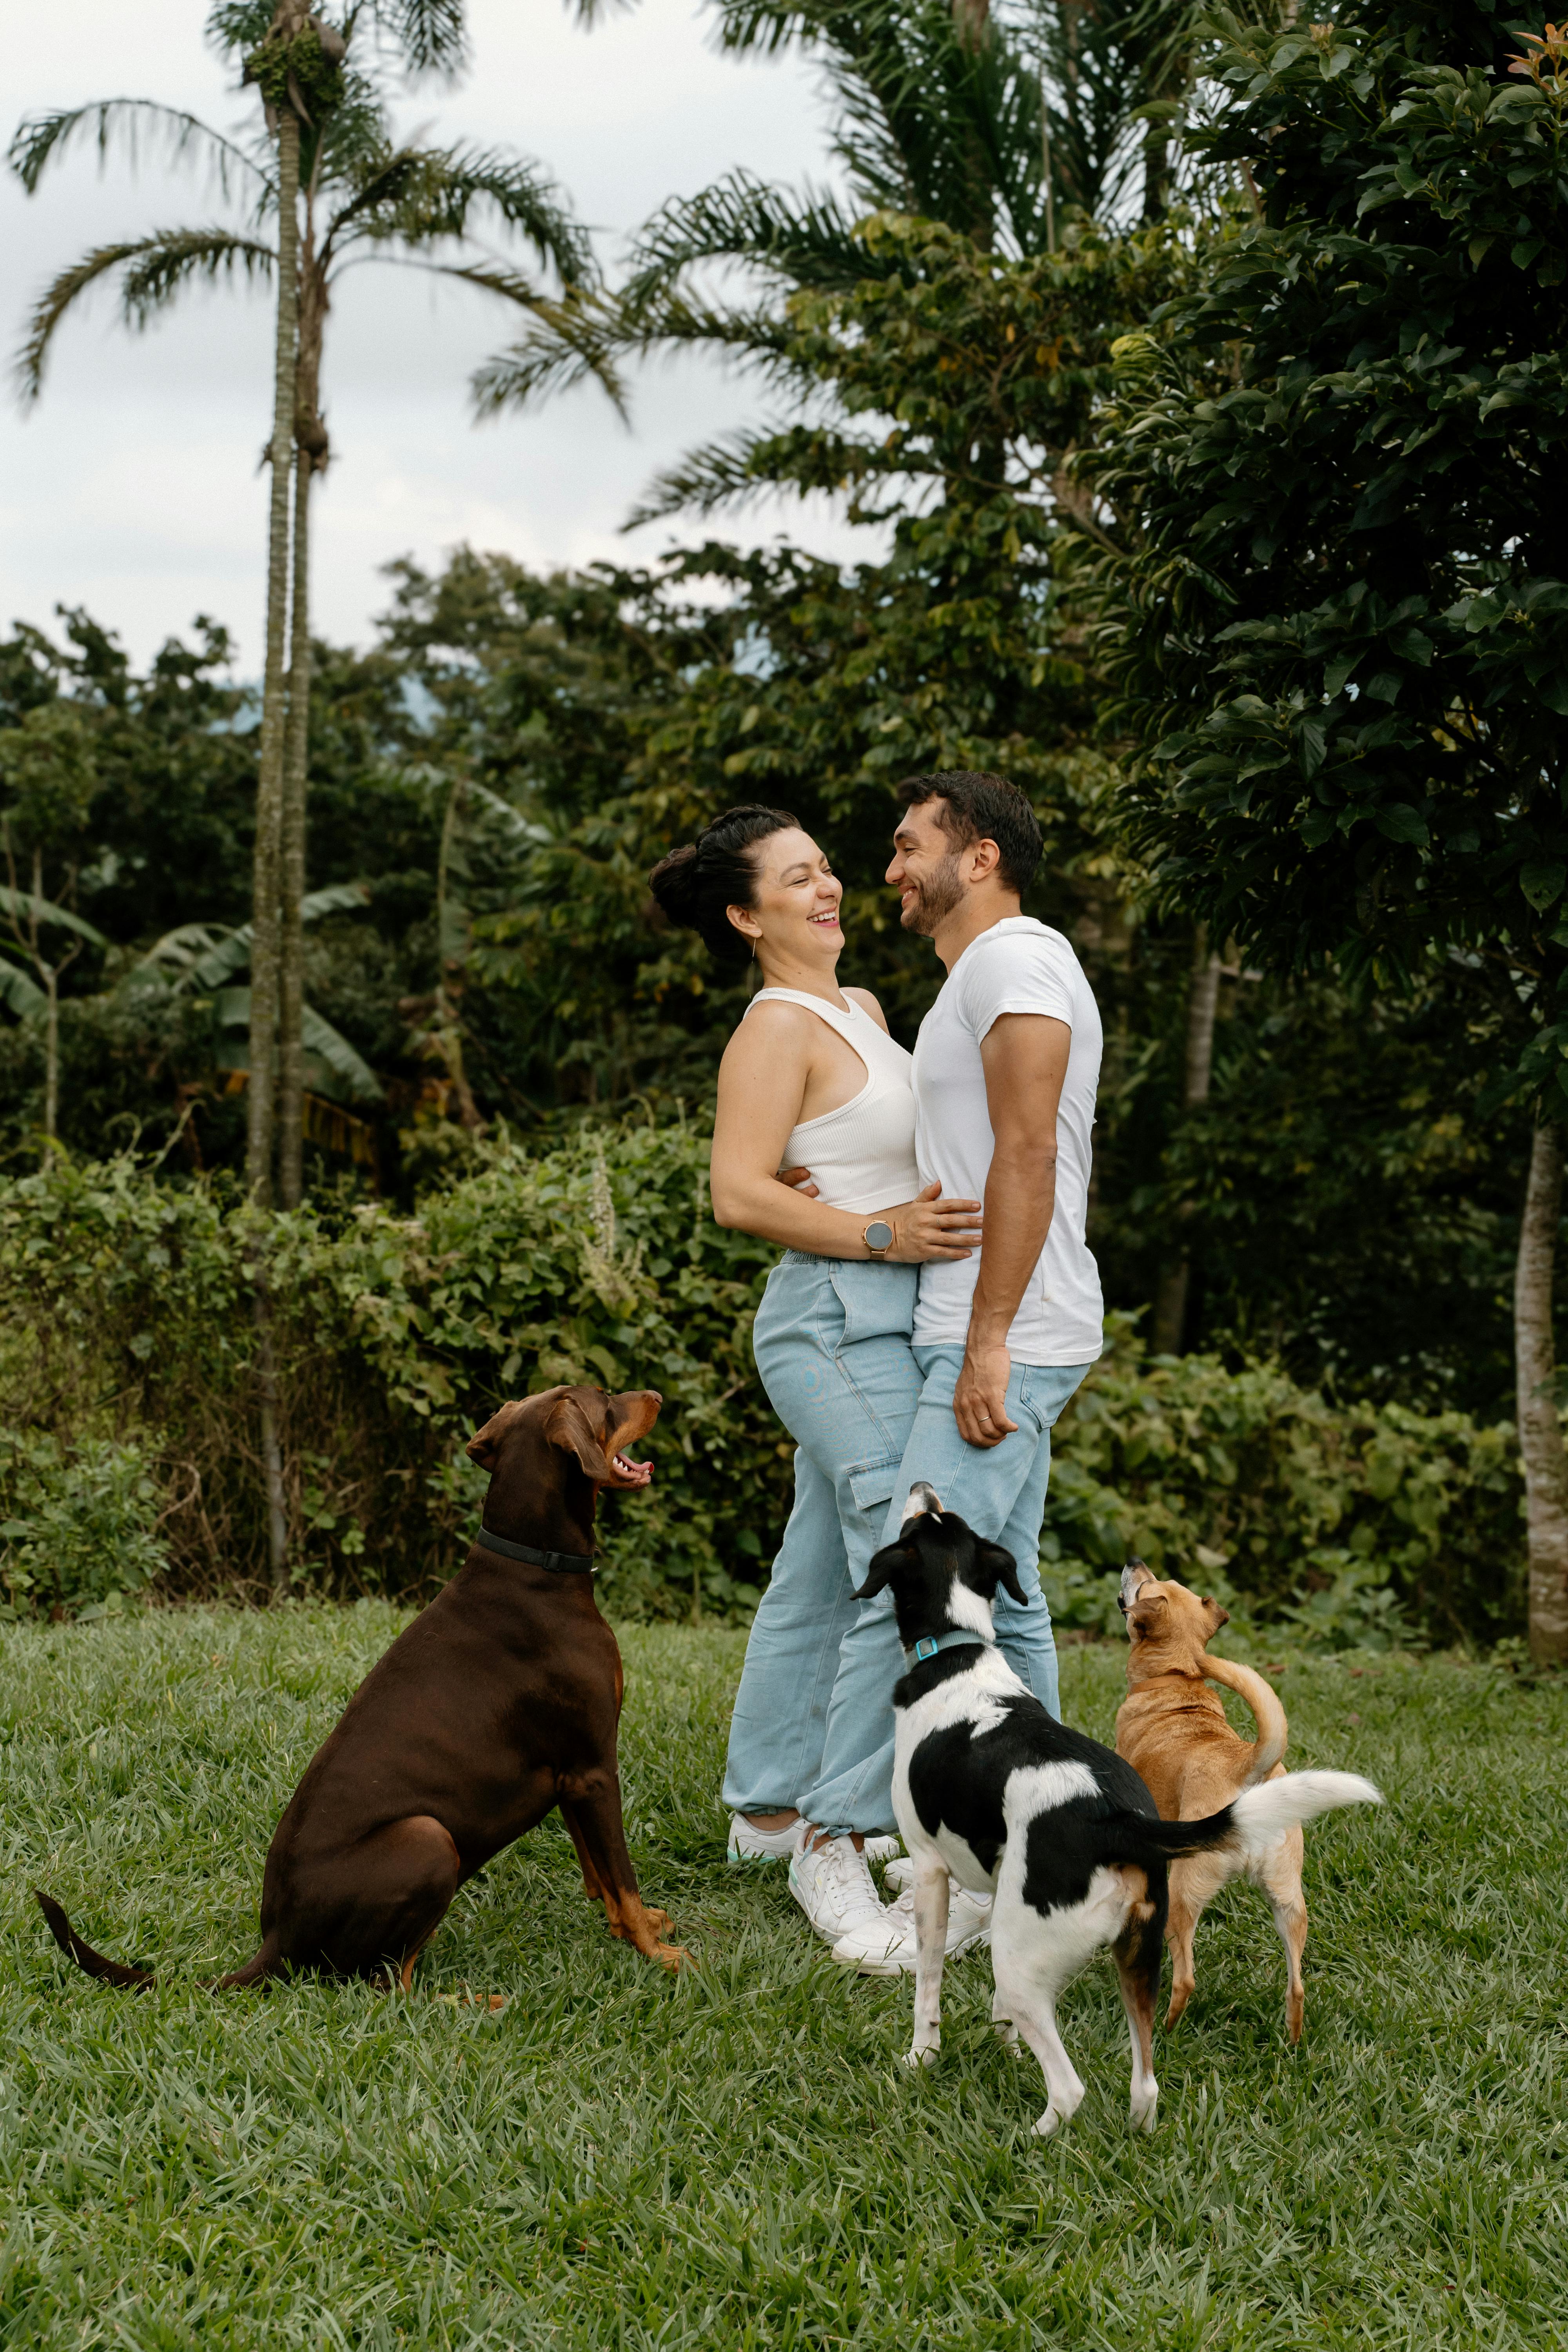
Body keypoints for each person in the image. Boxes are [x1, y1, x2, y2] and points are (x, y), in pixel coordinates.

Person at [648, 804, 985, 1960]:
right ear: (747, 915)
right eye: (796, 880)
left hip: (879, 1322)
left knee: (810, 1574)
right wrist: (881, 1233)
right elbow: (739, 1195)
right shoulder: (774, 1029)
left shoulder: (865, 1010)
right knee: (898, 1566)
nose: (829, 888)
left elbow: (842, 1155)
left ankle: (766, 1806)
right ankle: (833, 1843)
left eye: (828, 869)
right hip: (832, 1322)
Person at [796, 769, 1105, 1975]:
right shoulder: (973, 982)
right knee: (1007, 1595)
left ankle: (831, 1833)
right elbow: (970, 1157)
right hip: (988, 1324)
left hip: (1007, 1339)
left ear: (979, 858)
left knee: (913, 1587)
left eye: (909, 846)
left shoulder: (1017, 960)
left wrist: (987, 1343)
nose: (890, 871)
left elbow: (1030, 1155)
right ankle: (1038, 1839)